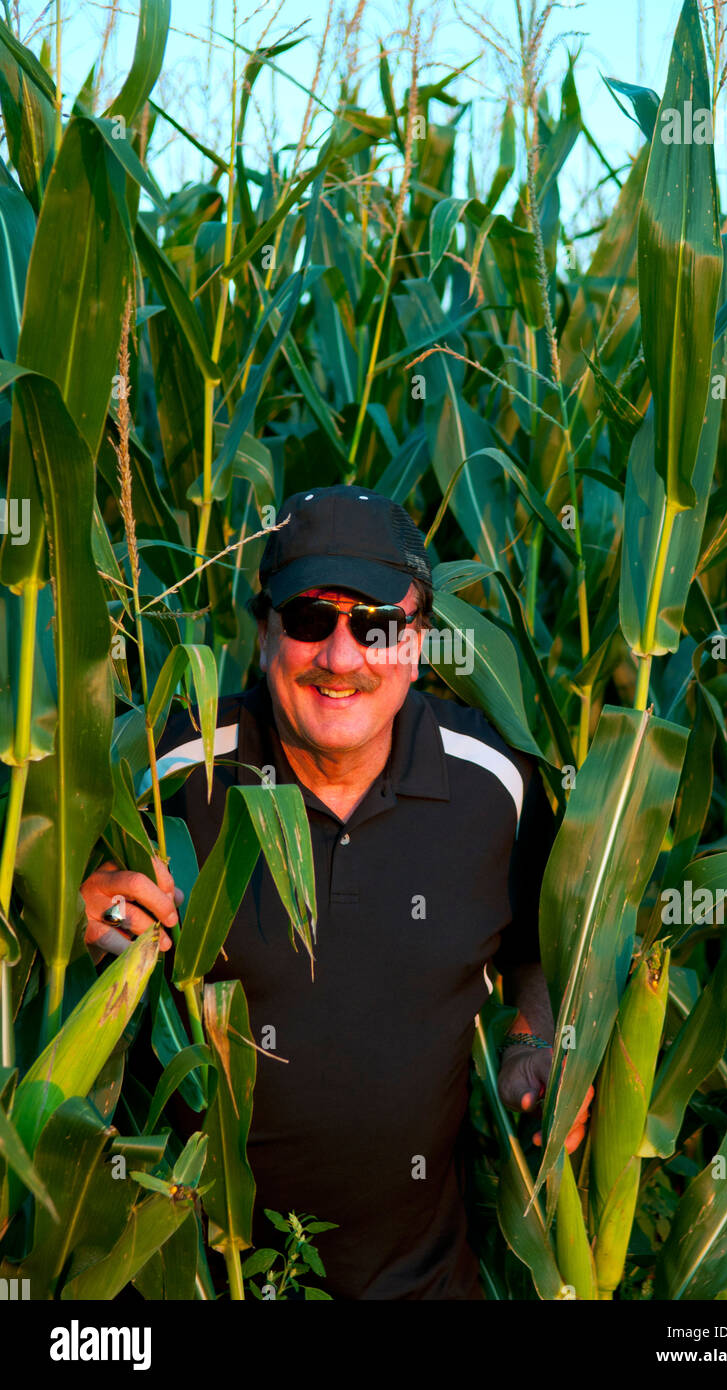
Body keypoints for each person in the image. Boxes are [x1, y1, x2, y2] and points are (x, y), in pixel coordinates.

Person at [82, 484, 591, 1300]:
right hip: (205, 1281)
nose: (342, 658)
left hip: (426, 1285)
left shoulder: (494, 783)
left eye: (377, 625)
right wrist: (76, 909)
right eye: (311, 620)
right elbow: (43, 926)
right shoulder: (165, 770)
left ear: (418, 642)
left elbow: (541, 950)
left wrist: (534, 1045)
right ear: (263, 633)